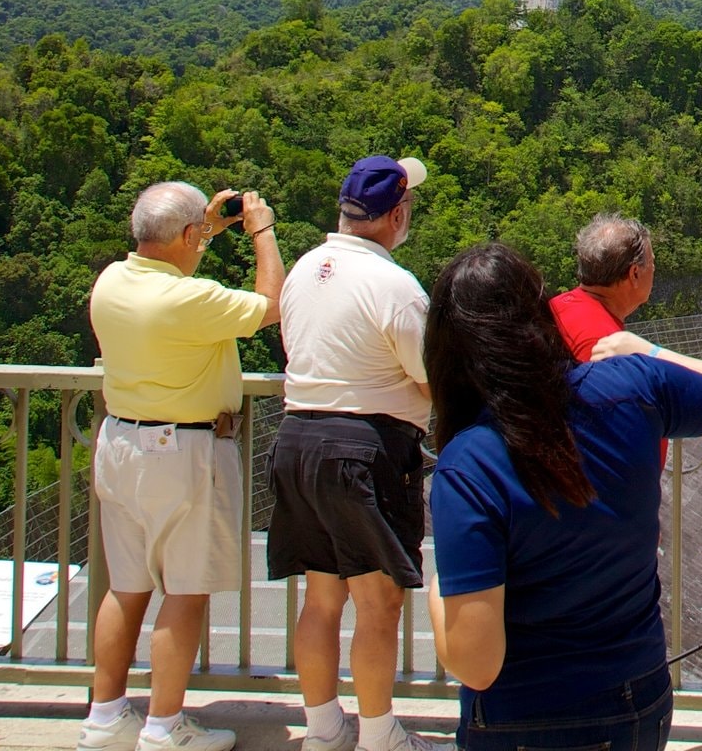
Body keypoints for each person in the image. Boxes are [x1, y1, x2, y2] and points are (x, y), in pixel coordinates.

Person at [423, 243, 702, 751]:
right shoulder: (631, 387)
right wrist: (648, 352)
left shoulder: (469, 464)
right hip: (639, 698)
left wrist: (443, 589)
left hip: (524, 715)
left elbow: (475, 665)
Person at [77, 183, 285, 751]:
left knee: (125, 588)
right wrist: (260, 232)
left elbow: (172, 258)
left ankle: (105, 717)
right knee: (186, 591)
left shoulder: (112, 281)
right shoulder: (188, 300)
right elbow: (272, 306)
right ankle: (165, 727)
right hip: (183, 451)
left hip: (121, 443)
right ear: (189, 236)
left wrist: (206, 229)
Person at [268, 155, 438, 751]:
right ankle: (378, 734)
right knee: (377, 599)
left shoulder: (302, 270)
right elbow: (428, 377)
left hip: (297, 440)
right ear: (397, 214)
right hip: (364, 450)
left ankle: (322, 730)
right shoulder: (395, 286)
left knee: (321, 598)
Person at [548, 216, 655, 362]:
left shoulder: (553, 307)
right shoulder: (605, 347)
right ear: (634, 273)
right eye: (652, 262)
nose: (654, 269)